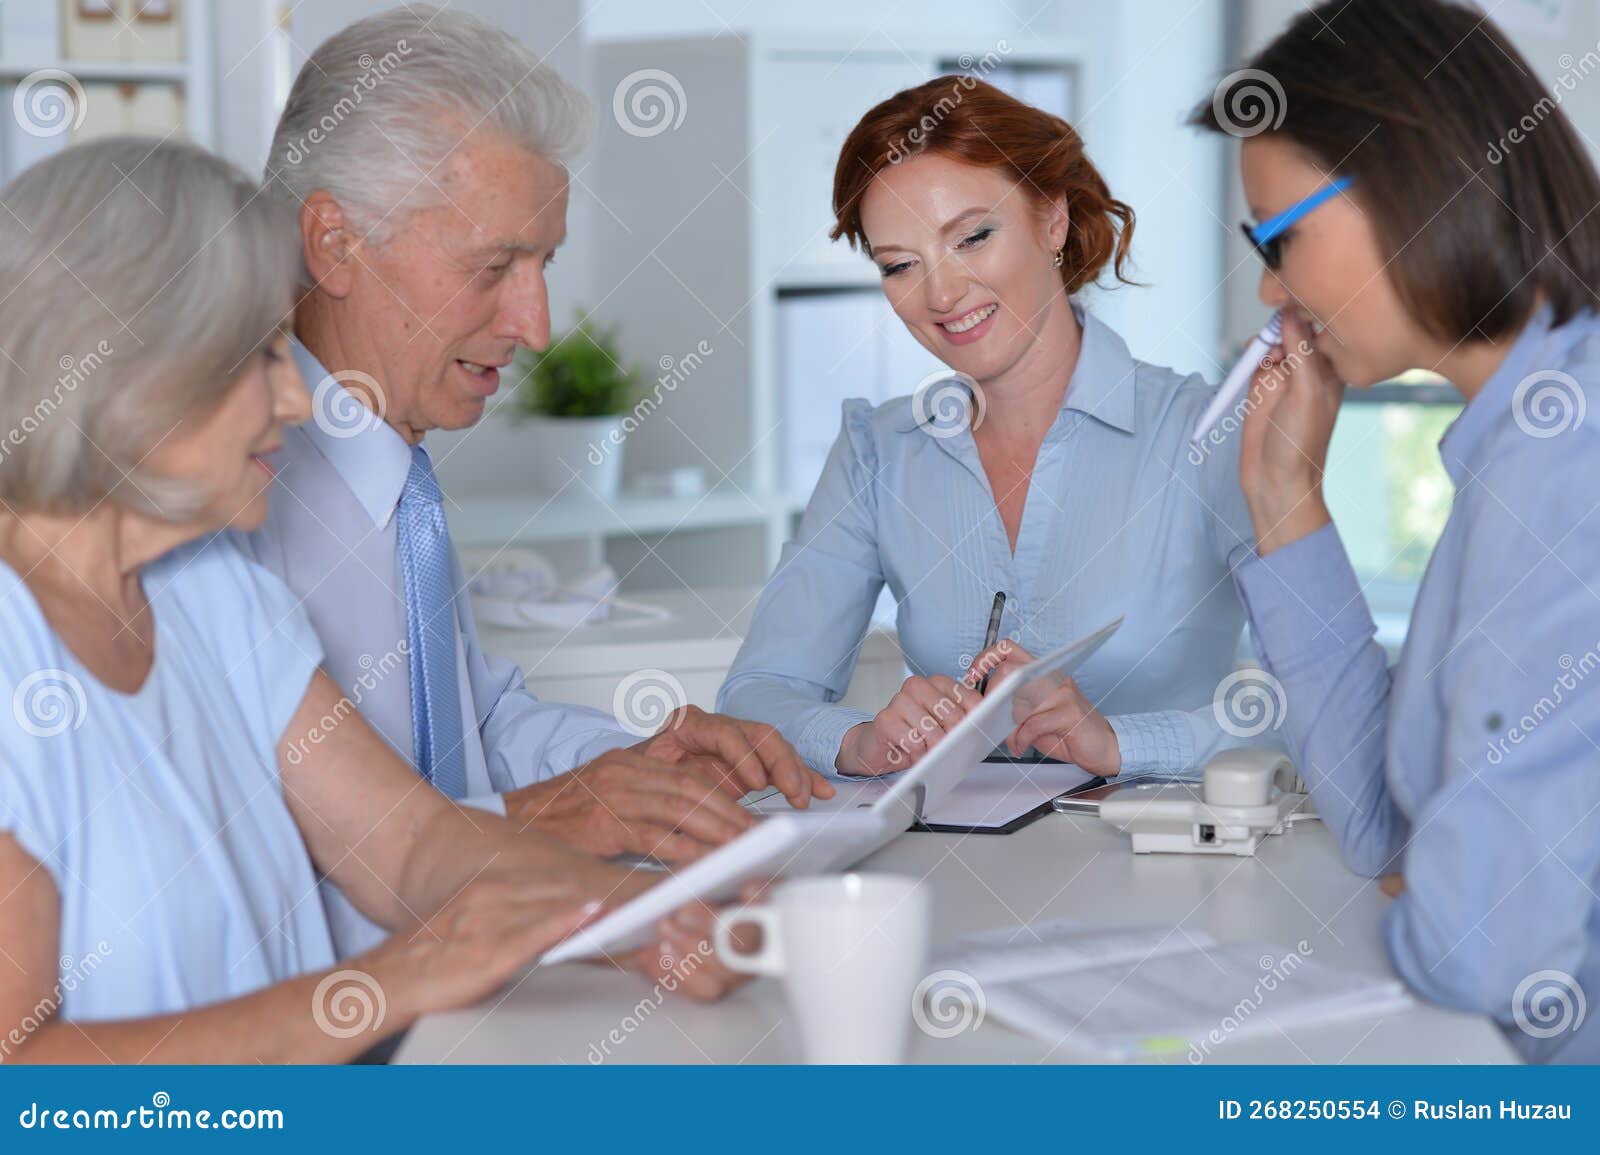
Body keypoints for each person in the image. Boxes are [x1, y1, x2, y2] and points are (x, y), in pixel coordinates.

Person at [0, 138, 741, 1063]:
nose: (298, 399)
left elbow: (408, 846)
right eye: (258, 356)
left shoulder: (214, 592)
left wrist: (647, 911)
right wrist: (390, 982)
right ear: (135, 372)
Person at [243, 7, 831, 955]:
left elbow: (472, 721)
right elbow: (256, 882)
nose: (537, 324)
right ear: (335, 244)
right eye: (494, 266)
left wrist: (632, 768)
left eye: (543, 262)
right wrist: (545, 816)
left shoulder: (398, 474)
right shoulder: (229, 497)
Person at [1191, 0, 1600, 1062]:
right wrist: (1285, 494)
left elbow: (1483, 946)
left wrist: (1444, 888)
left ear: (1416, 182)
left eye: (1279, 238)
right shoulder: (1521, 438)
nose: (1271, 288)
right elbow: (1386, 825)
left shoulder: (1567, 460)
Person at [720, 76, 1273, 780]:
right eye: (900, 265)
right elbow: (758, 693)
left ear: (1053, 220)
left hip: (1177, 849)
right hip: (949, 849)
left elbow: (1324, 692)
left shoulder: (1212, 432)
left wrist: (1122, 743)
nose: (942, 293)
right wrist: (859, 740)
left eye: (973, 237)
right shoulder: (878, 453)